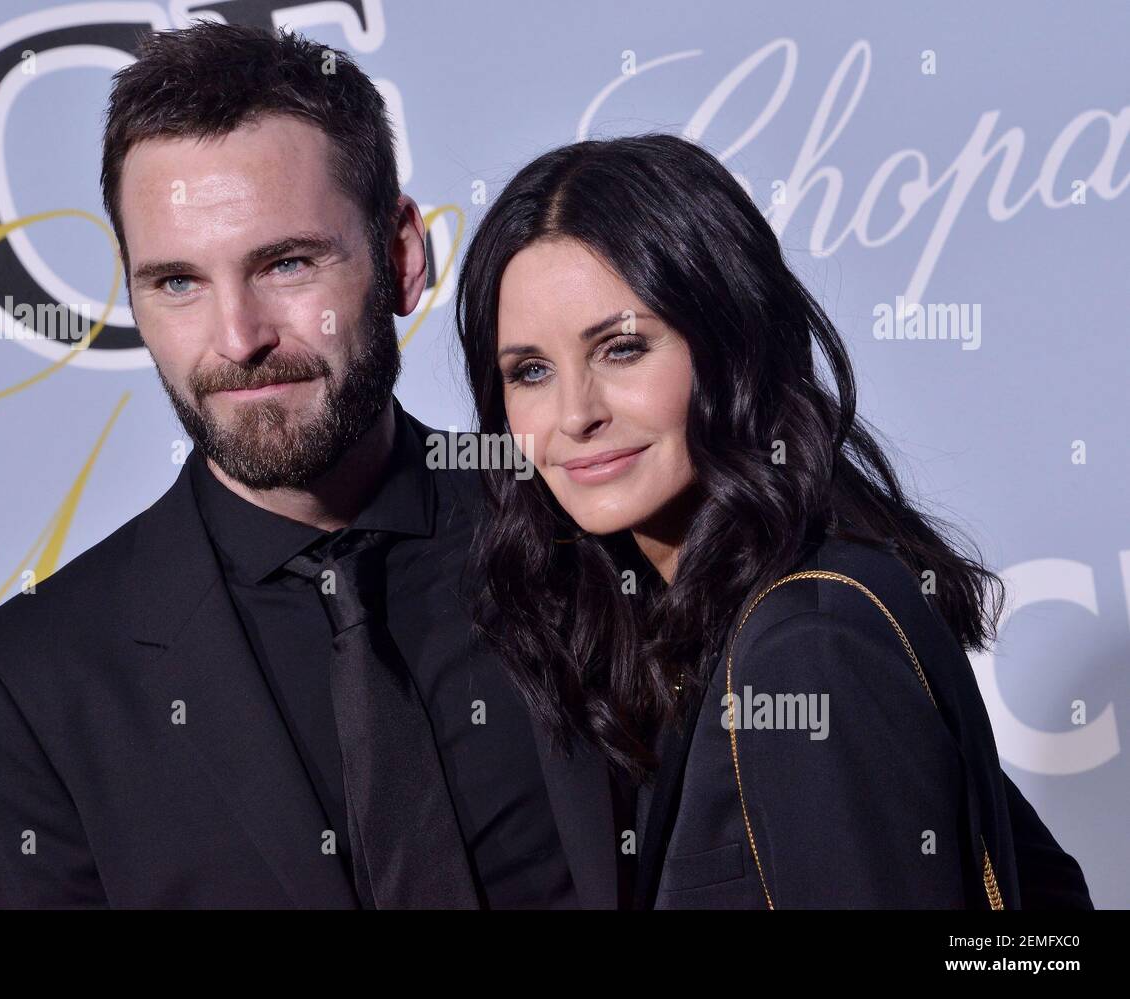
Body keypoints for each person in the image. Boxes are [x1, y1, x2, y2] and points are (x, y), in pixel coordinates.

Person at [0, 22, 625, 909]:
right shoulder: (33, 681)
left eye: (288, 262)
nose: (238, 339)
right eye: (177, 282)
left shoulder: (590, 544)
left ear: (402, 256)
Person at [454, 132, 1094, 908]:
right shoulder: (702, 633)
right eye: (531, 371)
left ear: (731, 345)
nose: (575, 414)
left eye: (622, 349)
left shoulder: (807, 646)